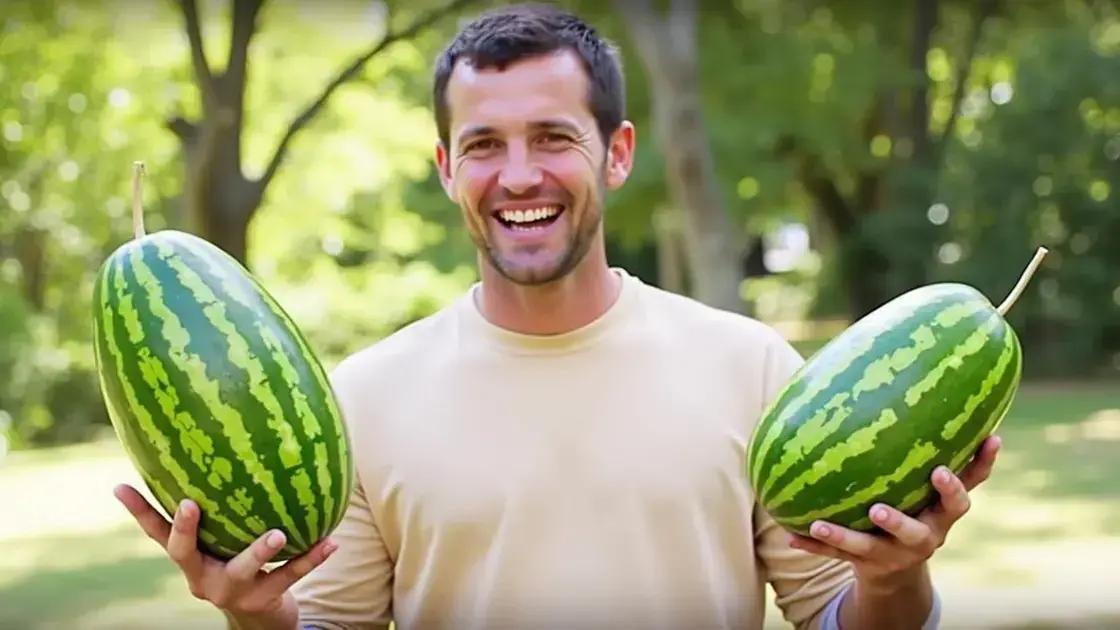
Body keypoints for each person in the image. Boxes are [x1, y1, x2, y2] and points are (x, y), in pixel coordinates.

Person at [115, 4, 1001, 629]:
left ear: (616, 153)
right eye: (484, 145)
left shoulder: (753, 367)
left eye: (552, 137)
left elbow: (836, 618)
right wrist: (258, 619)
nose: (520, 175)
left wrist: (897, 580)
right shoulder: (361, 398)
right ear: (446, 168)